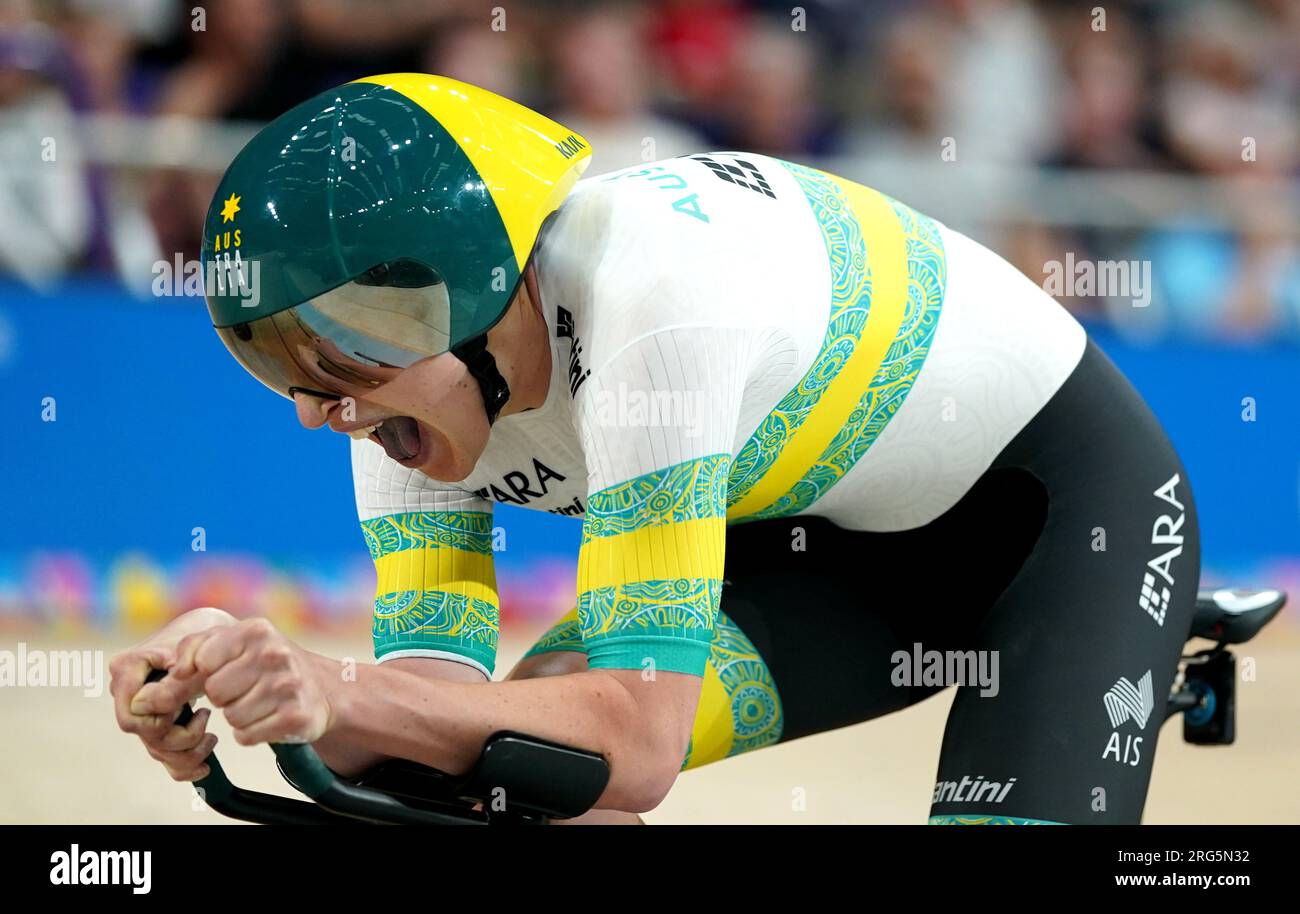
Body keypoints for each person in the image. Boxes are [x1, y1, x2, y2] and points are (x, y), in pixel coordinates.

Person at [110, 74, 1200, 824]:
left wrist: (338, 689)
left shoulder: (655, 298)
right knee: (510, 771)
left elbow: (638, 744)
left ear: (476, 296)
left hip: (1053, 517)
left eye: (337, 348)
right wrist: (241, 685)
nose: (314, 407)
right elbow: (423, 711)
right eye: (282, 360)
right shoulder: (390, 387)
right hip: (817, 541)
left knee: (577, 744)